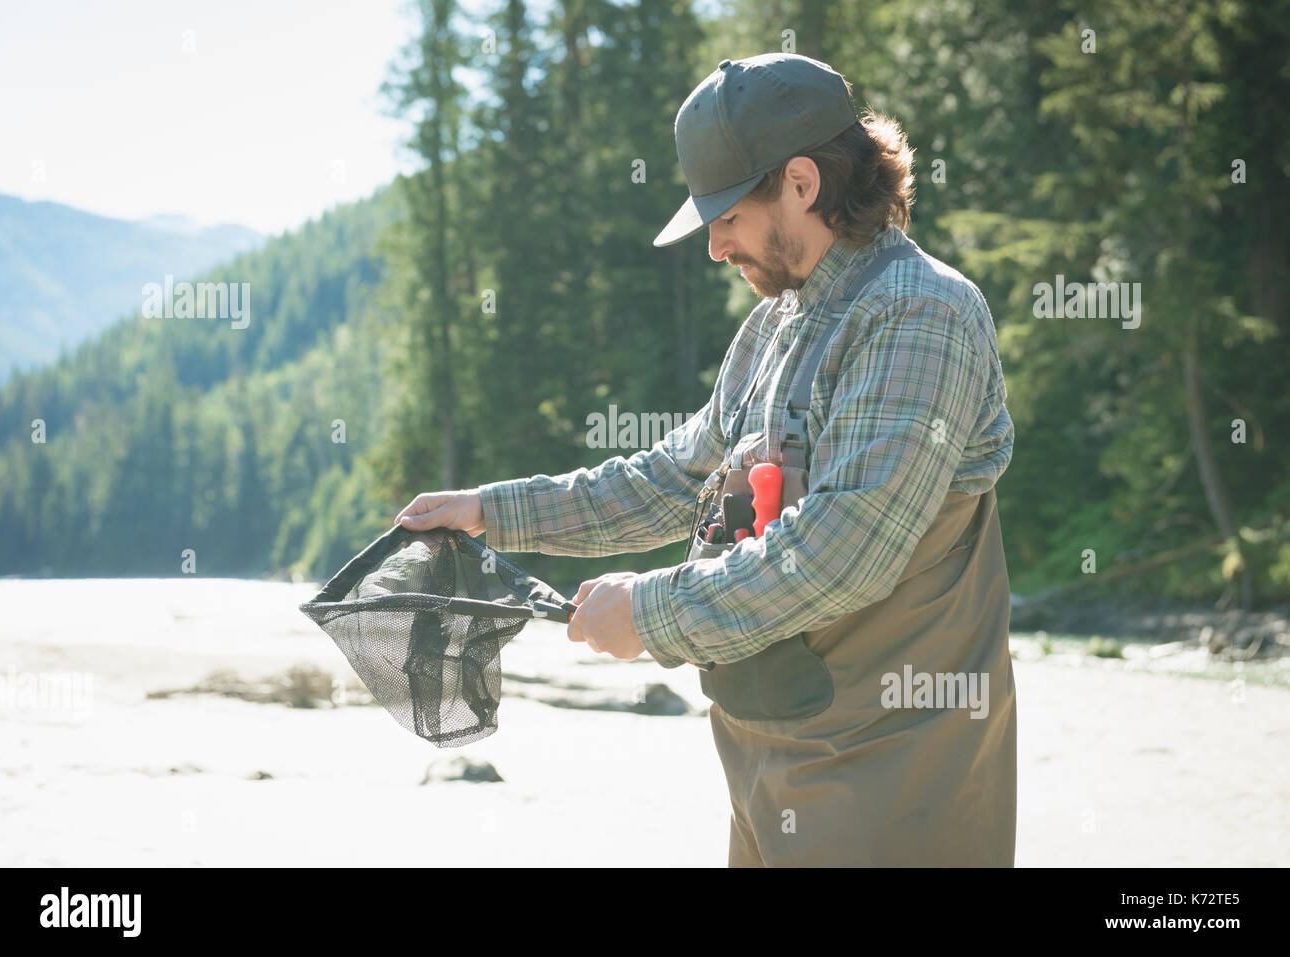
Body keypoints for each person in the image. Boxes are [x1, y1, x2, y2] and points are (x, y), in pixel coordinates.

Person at [395, 52, 1017, 867]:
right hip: (766, 772)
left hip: (896, 783)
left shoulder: (922, 314)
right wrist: (492, 509)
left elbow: (843, 554)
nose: (717, 246)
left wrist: (649, 611)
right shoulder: (771, 328)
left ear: (801, 182)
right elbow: (670, 483)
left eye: (726, 216)